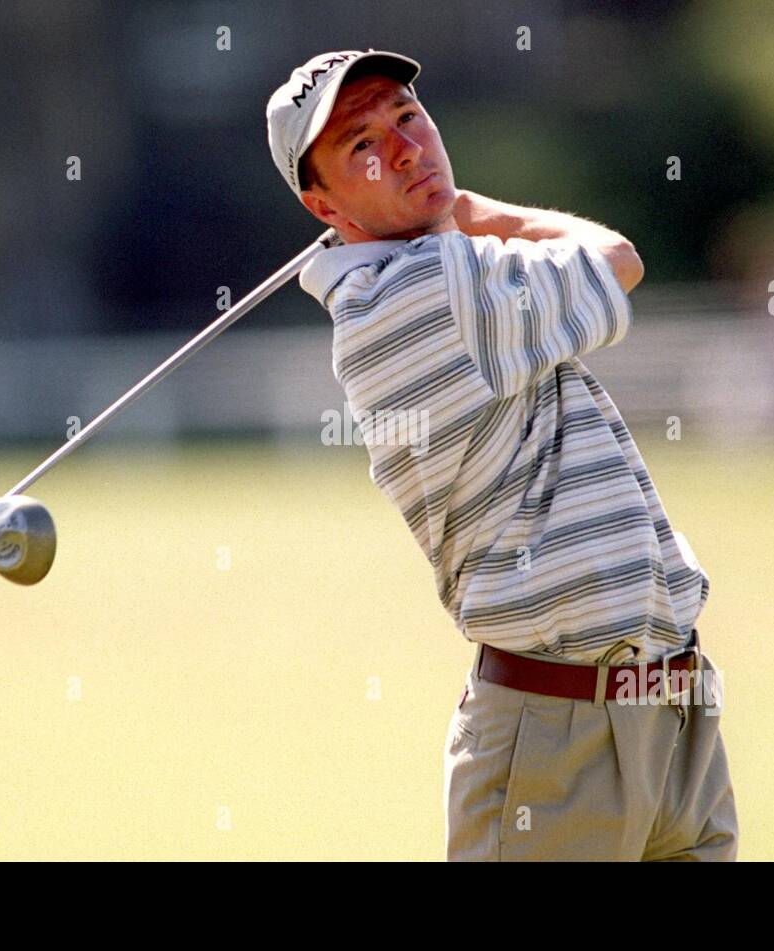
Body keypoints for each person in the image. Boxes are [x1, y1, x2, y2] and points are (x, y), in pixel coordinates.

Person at [266, 49, 737, 861]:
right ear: (325, 205)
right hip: (558, 748)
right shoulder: (421, 295)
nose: (405, 148)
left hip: (670, 714)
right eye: (361, 147)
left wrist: (457, 219)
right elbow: (619, 258)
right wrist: (478, 211)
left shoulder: (438, 274)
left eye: (407, 116)